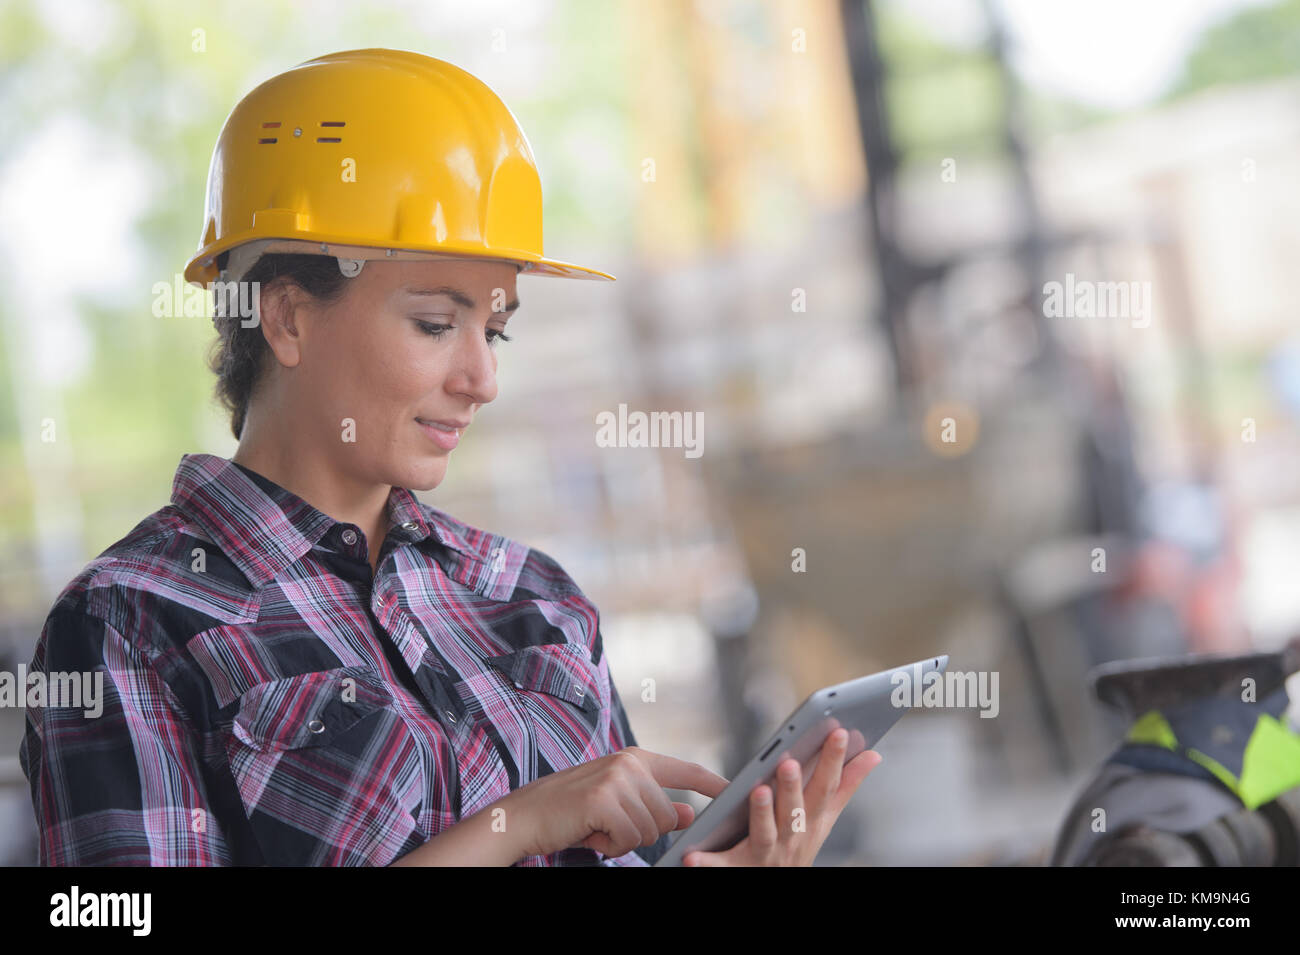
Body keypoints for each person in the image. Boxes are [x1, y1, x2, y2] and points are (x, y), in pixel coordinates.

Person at [19, 48, 880, 866]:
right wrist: (520, 822)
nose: (483, 378)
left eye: (495, 330)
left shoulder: (532, 598)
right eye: (436, 324)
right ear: (285, 318)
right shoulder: (131, 623)